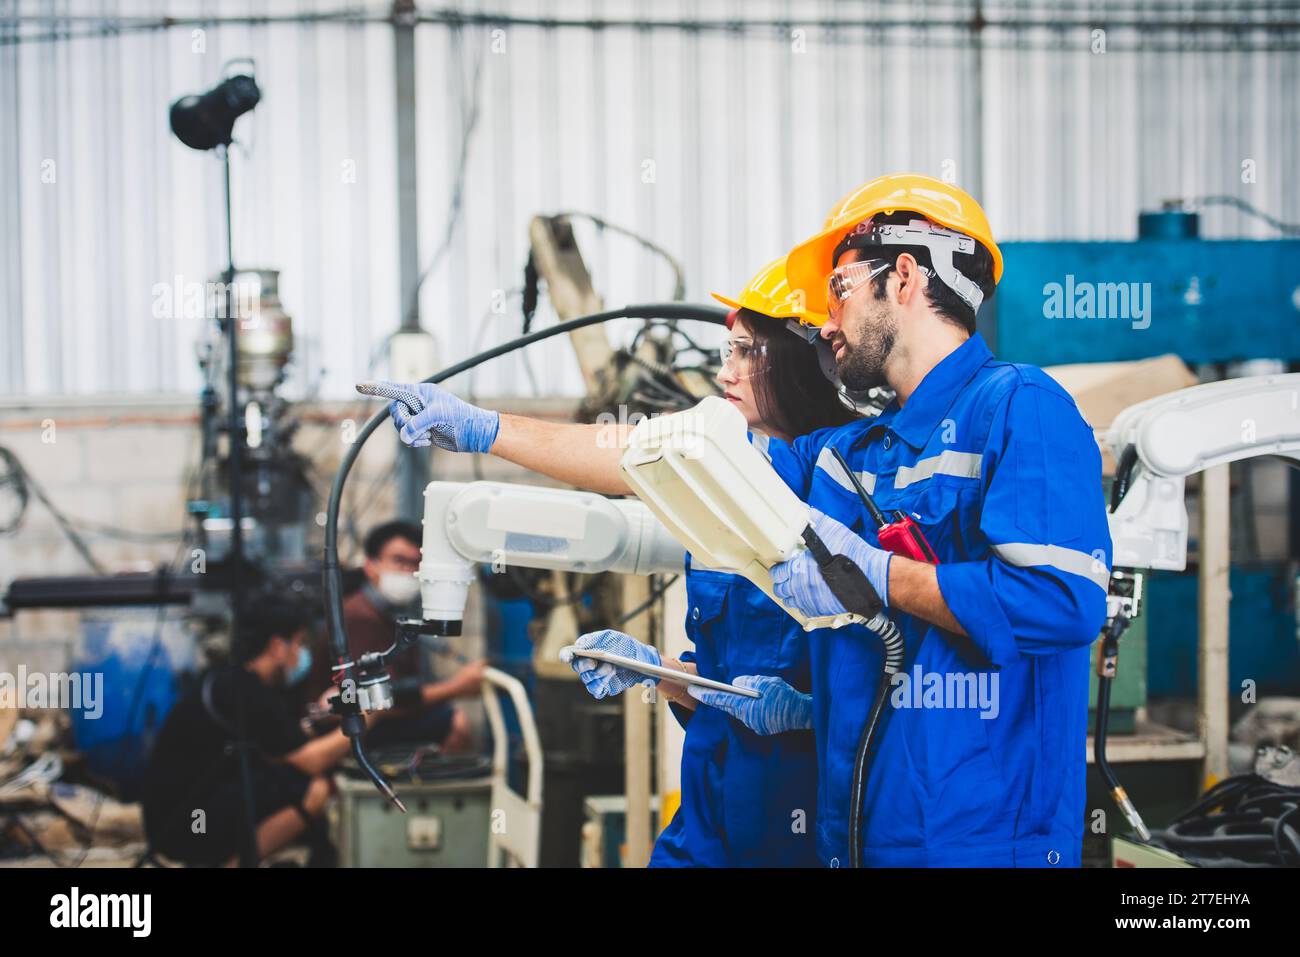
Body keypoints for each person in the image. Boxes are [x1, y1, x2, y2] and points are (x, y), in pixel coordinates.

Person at [373, 258, 859, 866]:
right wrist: (662, 673)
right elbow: (732, 682)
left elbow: (624, 452)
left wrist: (488, 429)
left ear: (804, 359)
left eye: (745, 352)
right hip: (711, 812)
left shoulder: (837, 474)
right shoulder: (729, 472)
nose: (723, 370)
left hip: (799, 820)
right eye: (725, 350)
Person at [698, 173, 1110, 866]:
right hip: (860, 842)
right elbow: (701, 470)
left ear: (906, 277)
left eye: (840, 290)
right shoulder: (848, 454)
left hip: (983, 848)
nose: (825, 322)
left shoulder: (1019, 407)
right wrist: (487, 431)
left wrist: (880, 575)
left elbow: (1064, 604)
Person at [142, 595, 373, 866]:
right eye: (299, 644)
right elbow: (312, 760)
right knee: (314, 789)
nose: (303, 654)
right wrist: (367, 716)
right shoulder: (248, 693)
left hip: (169, 819)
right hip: (183, 827)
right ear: (277, 646)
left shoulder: (231, 679)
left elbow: (282, 747)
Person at [303, 520, 485, 752]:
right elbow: (381, 700)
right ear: (371, 566)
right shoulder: (359, 616)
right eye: (399, 561)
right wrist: (455, 687)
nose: (408, 572)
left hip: (378, 720)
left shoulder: (391, 615)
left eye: (414, 564)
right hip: (346, 728)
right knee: (455, 722)